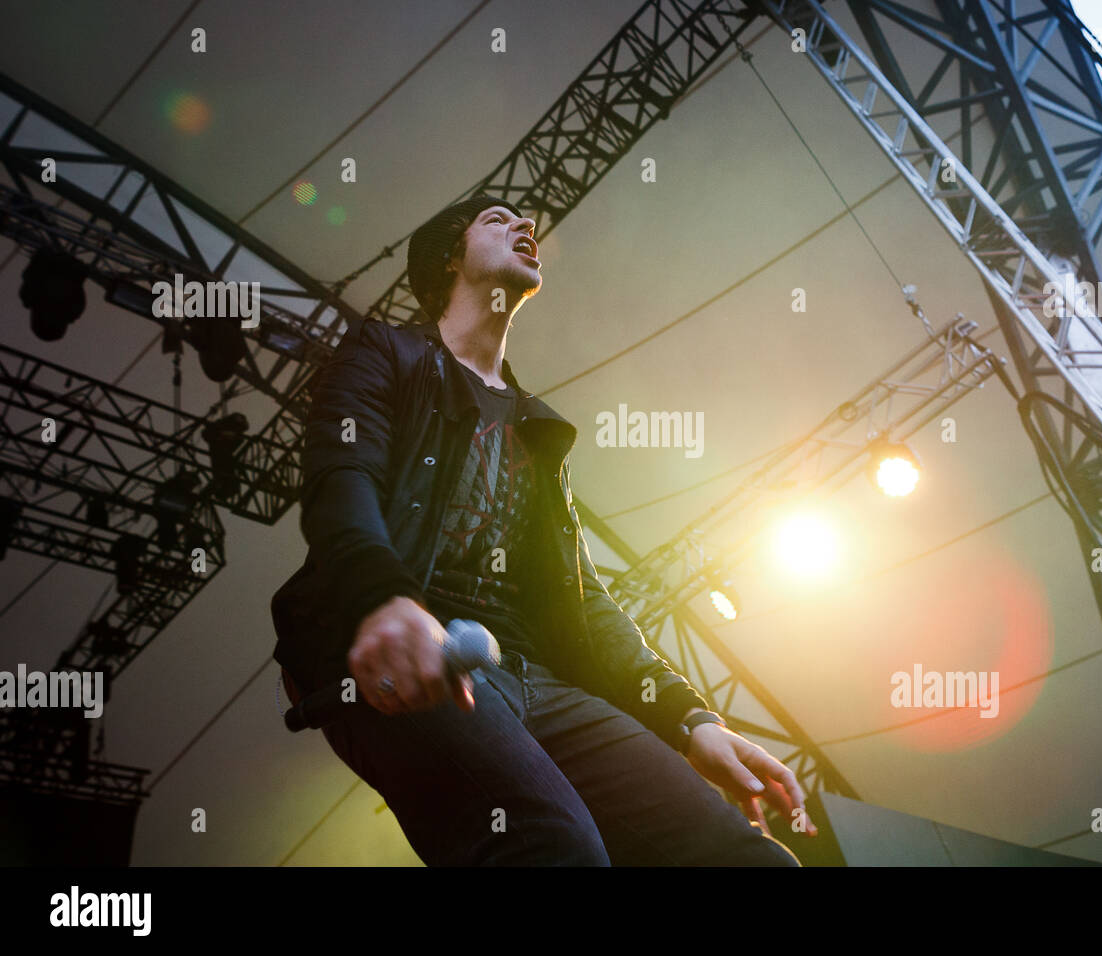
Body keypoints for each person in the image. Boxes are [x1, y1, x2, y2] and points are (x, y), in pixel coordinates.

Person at [271, 194, 814, 865]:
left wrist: (690, 716)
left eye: (525, 221)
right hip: (409, 653)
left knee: (745, 856)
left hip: (534, 677)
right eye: (496, 221)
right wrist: (382, 598)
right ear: (448, 257)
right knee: (552, 845)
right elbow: (340, 479)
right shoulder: (386, 352)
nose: (524, 226)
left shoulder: (537, 427)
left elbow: (585, 599)